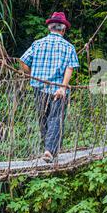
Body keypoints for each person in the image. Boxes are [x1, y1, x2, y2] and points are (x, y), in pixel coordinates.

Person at [19, 12, 79, 162]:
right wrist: (63, 88)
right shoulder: (68, 47)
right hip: (57, 88)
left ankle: (48, 149)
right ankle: (49, 150)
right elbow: (70, 68)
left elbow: (23, 61)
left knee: (43, 119)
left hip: (39, 87)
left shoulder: (37, 44)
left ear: (49, 28)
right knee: (56, 119)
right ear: (63, 30)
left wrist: (32, 76)